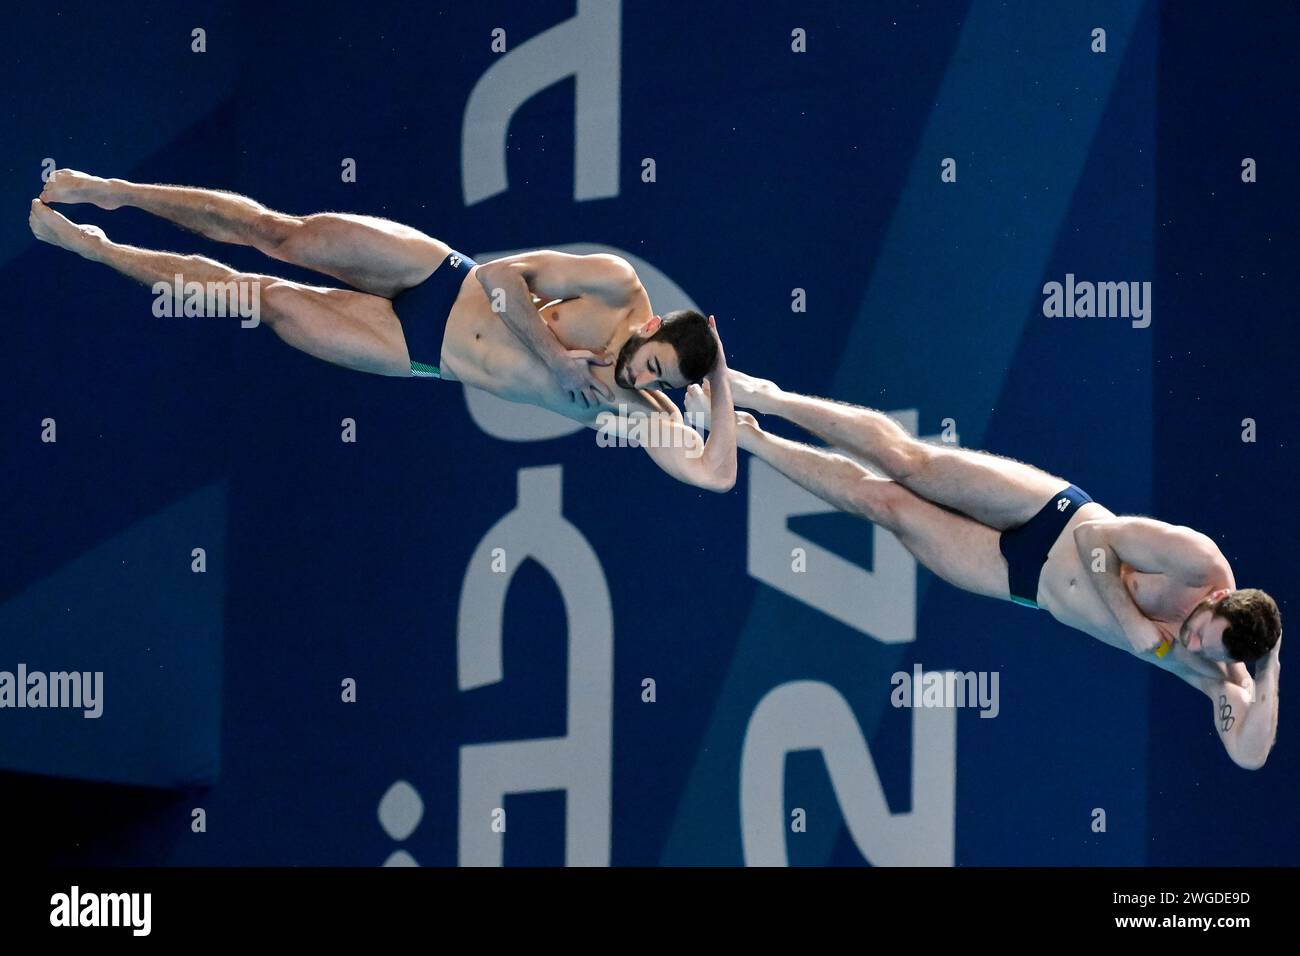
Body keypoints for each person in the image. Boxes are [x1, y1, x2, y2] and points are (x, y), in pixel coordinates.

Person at [691, 371, 1282, 769]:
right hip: (1054, 516)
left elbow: (1248, 754)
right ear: (1217, 596)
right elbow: (1101, 538)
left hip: (1022, 583)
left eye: (1209, 649)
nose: (1193, 640)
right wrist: (1130, 618)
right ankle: (766, 397)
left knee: (886, 505)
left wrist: (1270, 668)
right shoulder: (1197, 562)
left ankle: (751, 438)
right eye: (1204, 626)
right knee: (907, 462)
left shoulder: (1216, 671)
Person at [29, 169, 736, 491]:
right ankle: (115, 192)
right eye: (650, 364)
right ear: (646, 327)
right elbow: (497, 279)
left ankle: (98, 248)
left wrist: (721, 382)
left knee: (266, 301)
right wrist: (555, 360)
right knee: (280, 234)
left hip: (419, 352)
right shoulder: (612, 283)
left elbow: (714, 474)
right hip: (439, 275)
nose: (641, 380)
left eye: (660, 383)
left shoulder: (639, 413)